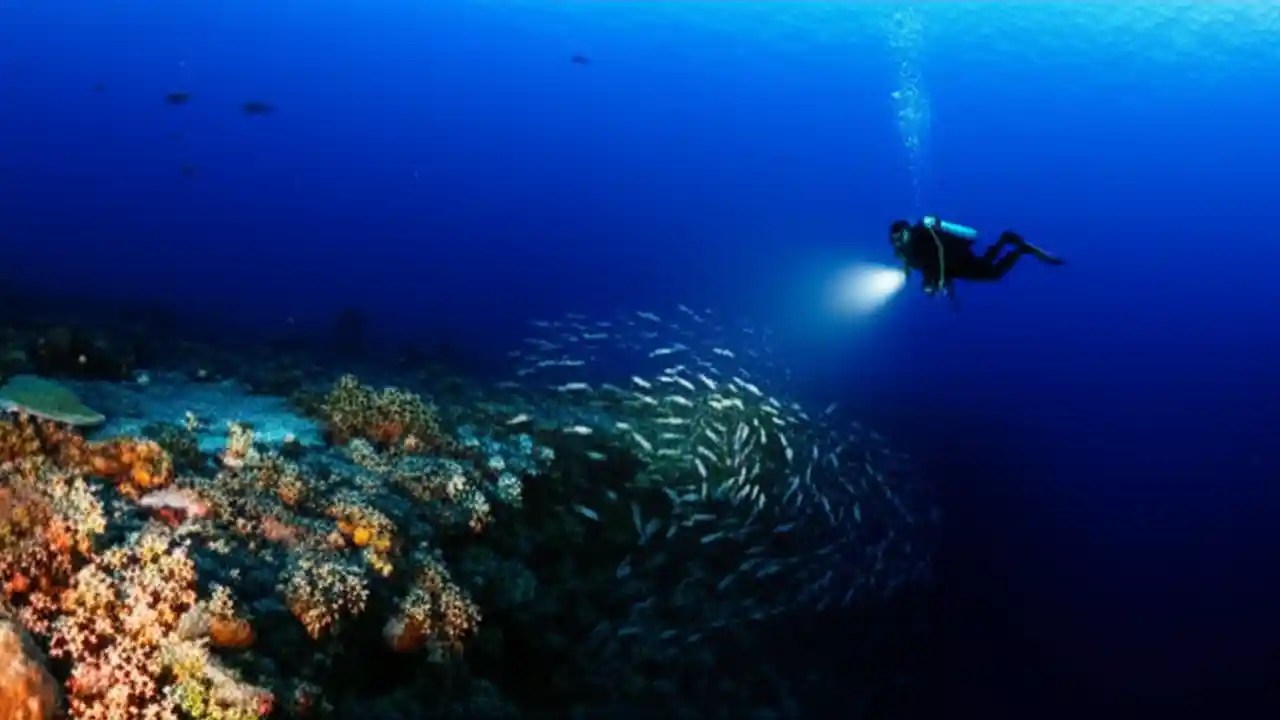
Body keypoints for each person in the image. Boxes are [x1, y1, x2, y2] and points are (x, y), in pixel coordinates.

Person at [889, 216, 1064, 296]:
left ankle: (1020, 249)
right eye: (896, 239)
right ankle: (1004, 240)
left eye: (901, 236)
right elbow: (918, 264)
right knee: (986, 265)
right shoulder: (904, 251)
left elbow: (940, 251)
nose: (899, 241)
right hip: (954, 265)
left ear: (907, 230)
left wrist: (940, 280)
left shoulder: (922, 235)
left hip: (955, 259)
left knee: (994, 273)